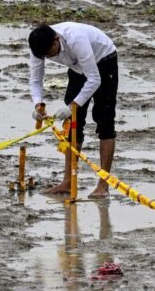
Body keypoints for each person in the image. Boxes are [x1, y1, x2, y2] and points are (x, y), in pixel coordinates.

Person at [28, 22, 118, 198]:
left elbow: (94, 79)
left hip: (103, 60)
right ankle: (68, 181)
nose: (47, 57)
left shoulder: (76, 39)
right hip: (77, 66)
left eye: (49, 53)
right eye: (43, 56)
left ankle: (103, 185)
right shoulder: (38, 47)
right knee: (73, 125)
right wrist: (38, 105)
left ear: (56, 40)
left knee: (104, 121)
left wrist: (72, 107)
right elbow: (35, 80)